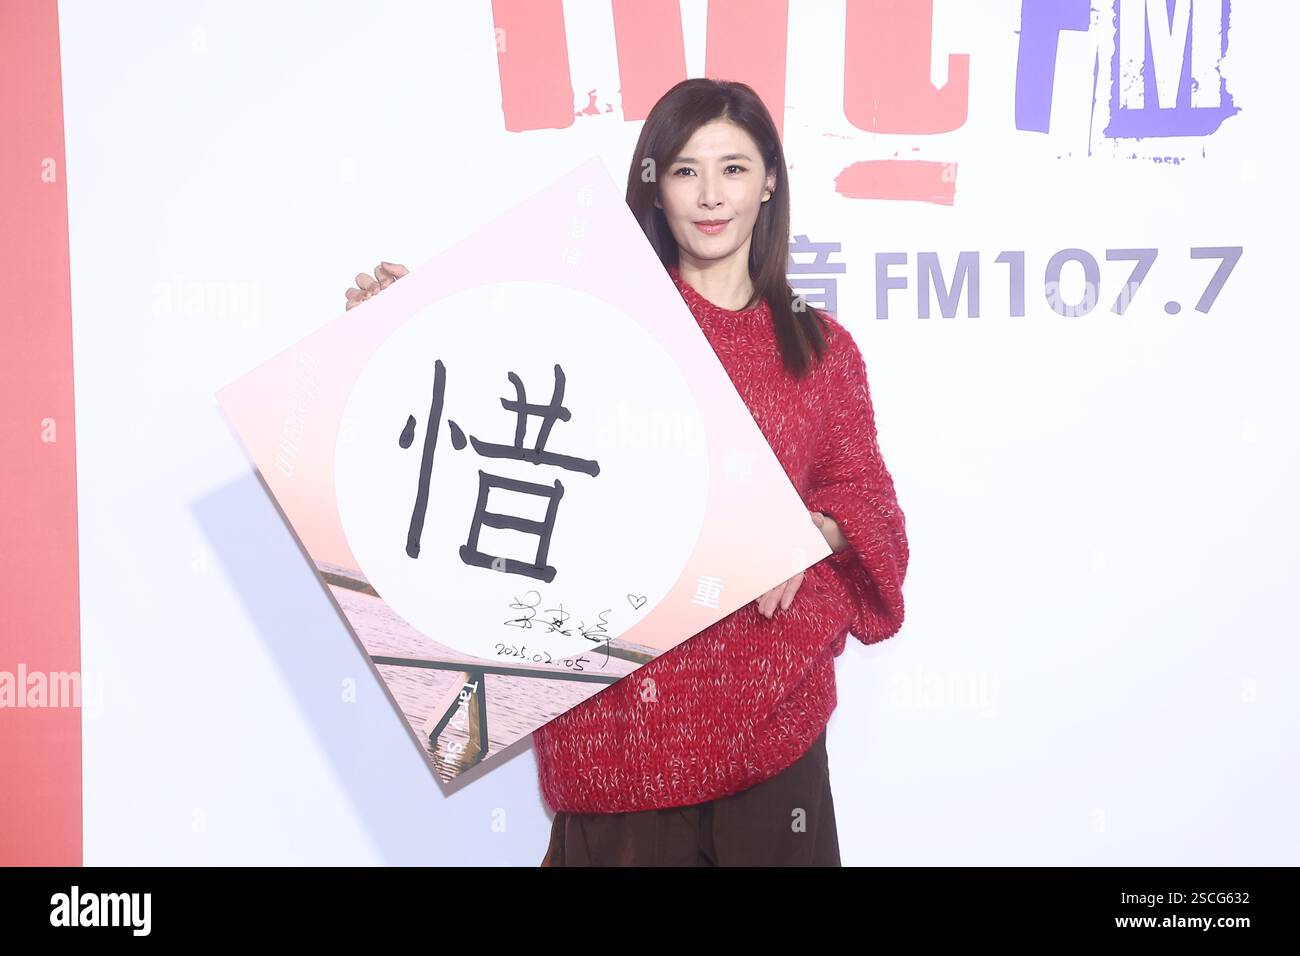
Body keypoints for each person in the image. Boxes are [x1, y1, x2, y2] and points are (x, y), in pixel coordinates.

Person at [345, 78, 909, 867]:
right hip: (619, 739)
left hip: (773, 737)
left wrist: (811, 528)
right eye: (684, 170)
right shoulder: (595, 325)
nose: (710, 196)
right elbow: (491, 420)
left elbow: (870, 505)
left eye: (734, 168)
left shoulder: (818, 351)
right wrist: (408, 327)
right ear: (655, 185)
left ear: (770, 180)